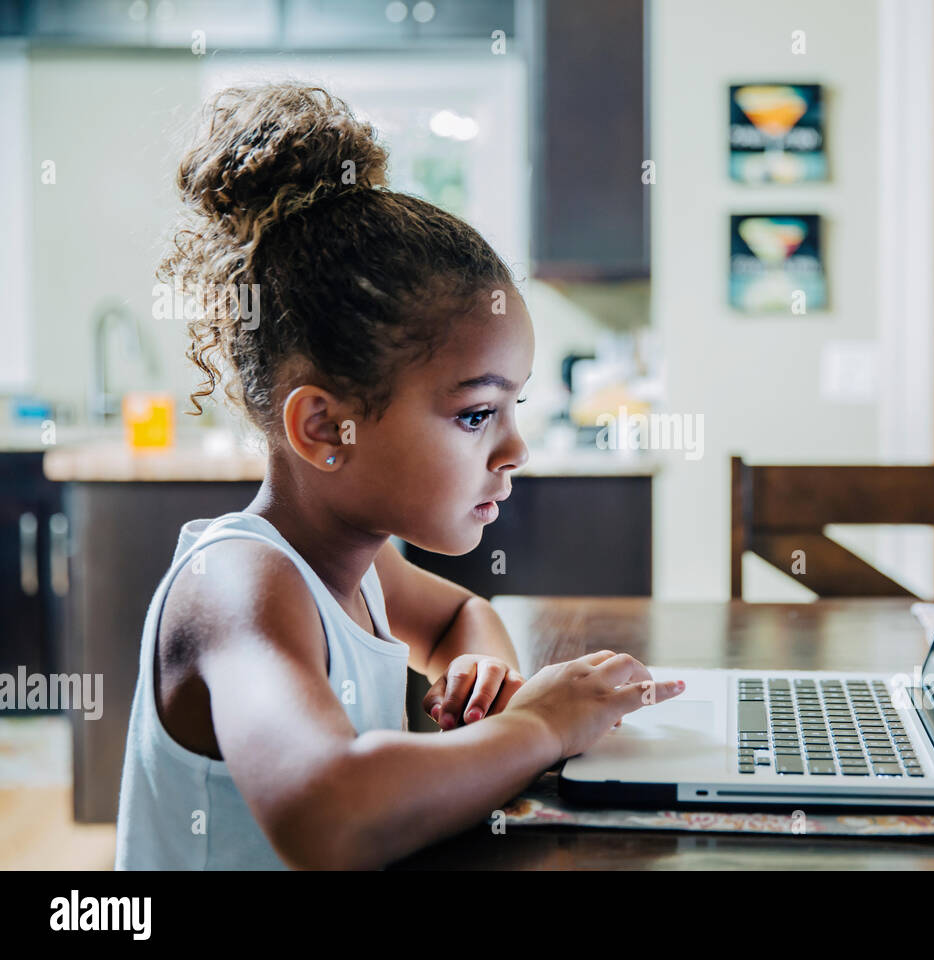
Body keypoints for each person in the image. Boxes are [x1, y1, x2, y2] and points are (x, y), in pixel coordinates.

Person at [114, 82, 683, 870]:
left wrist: (478, 675)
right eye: (477, 415)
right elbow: (329, 817)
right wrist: (540, 725)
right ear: (323, 428)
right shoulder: (241, 584)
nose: (516, 448)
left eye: (514, 406)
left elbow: (460, 619)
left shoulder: (362, 560)